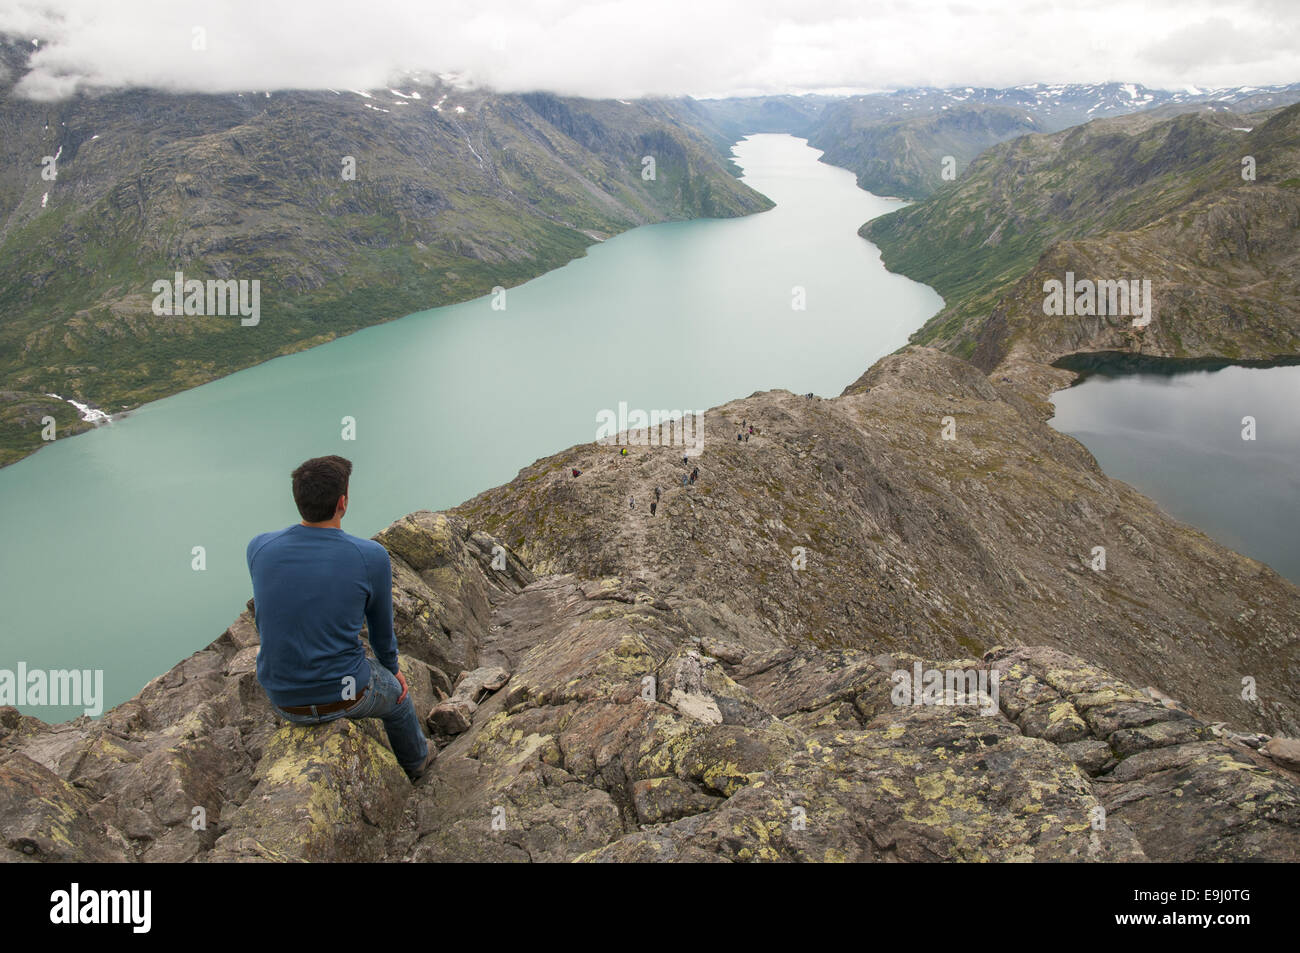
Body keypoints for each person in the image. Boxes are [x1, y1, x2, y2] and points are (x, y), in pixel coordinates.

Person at [247, 456, 435, 782]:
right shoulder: (370, 556)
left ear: (298, 500)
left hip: (283, 701)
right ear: (342, 502)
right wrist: (393, 672)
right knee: (399, 699)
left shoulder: (259, 548)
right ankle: (417, 763)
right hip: (347, 695)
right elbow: (381, 634)